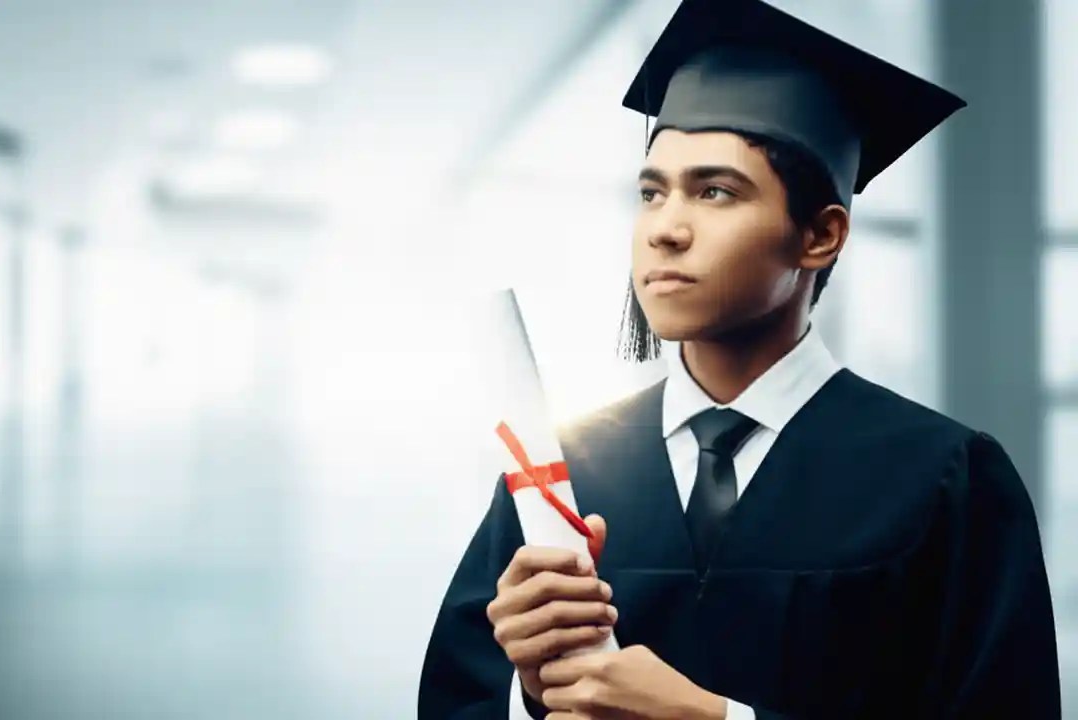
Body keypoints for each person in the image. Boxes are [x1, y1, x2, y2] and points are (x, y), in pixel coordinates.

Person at [417, 0, 1062, 717]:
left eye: (716, 192)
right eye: (651, 193)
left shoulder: (945, 479)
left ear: (820, 236)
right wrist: (532, 691)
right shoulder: (554, 482)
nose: (665, 229)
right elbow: (458, 697)